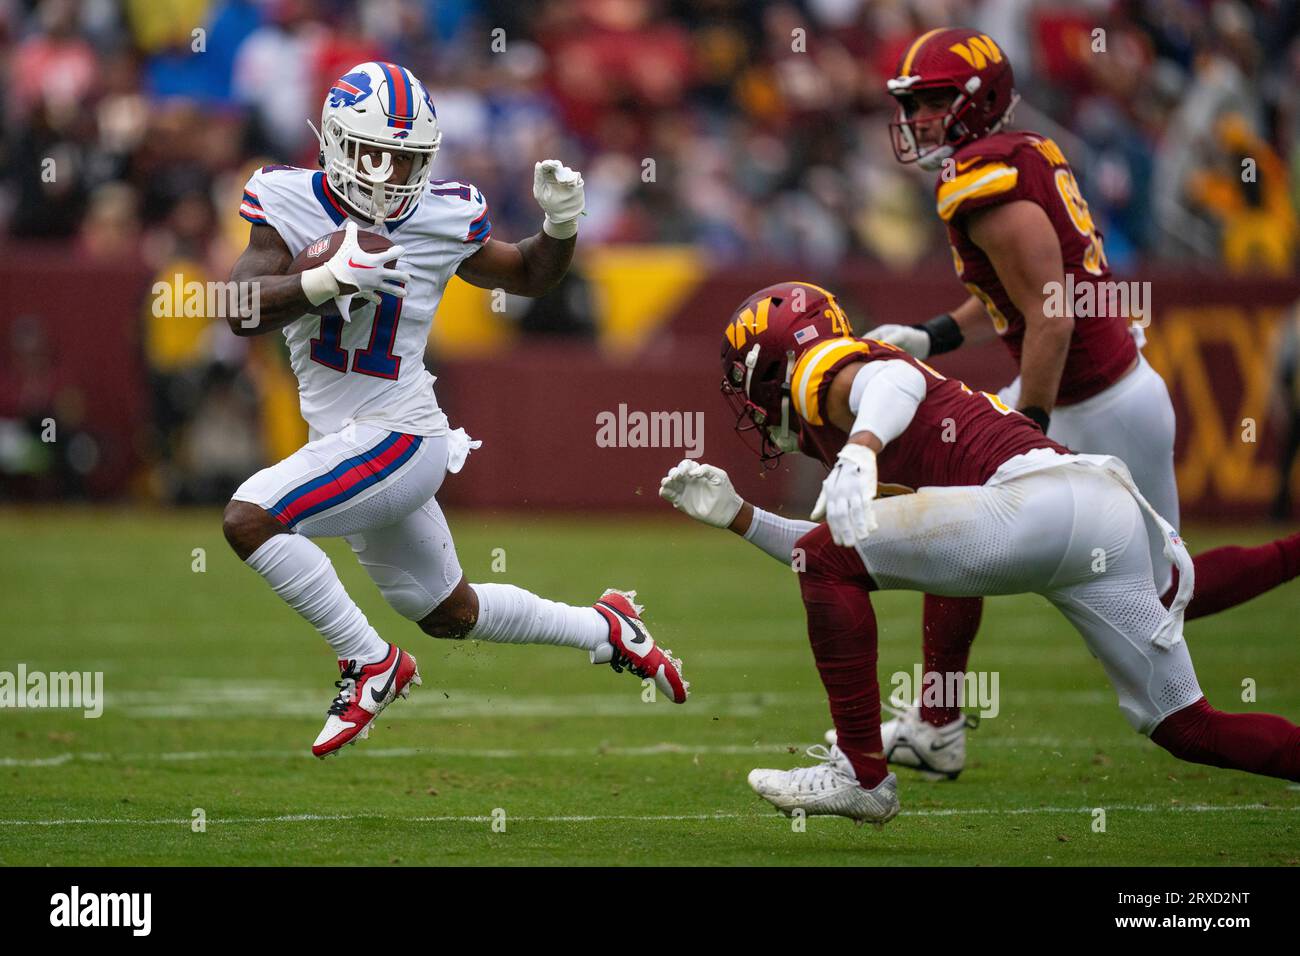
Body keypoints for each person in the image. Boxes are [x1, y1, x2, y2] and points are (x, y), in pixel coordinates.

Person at [660, 281, 1300, 826]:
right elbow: (847, 546)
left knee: (833, 560)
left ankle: (863, 775)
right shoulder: (853, 398)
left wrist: (861, 446)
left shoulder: (826, 374)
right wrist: (742, 518)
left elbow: (894, 379)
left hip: (1036, 504)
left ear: (772, 366)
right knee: (1187, 729)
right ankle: (931, 729)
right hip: (1096, 512)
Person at [857, 28, 1300, 778]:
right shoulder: (1025, 153)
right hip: (1107, 388)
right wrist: (934, 336)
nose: (919, 118)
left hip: (1087, 400)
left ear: (975, 101)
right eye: (912, 104)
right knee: (1153, 582)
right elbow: (1017, 291)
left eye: (932, 101)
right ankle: (936, 721)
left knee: (1154, 594)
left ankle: (937, 722)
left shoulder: (982, 179)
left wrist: (1026, 426)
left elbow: (1051, 311)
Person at [221, 61, 686, 758]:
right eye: (373, 154)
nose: (386, 176)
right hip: (346, 440)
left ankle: (367, 662)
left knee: (251, 517)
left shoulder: (441, 213)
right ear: (337, 143)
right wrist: (319, 280)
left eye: (405, 161)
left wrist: (562, 223)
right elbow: (238, 309)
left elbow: (528, 273)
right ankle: (608, 628)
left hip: (400, 434)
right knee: (447, 612)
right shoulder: (285, 199)